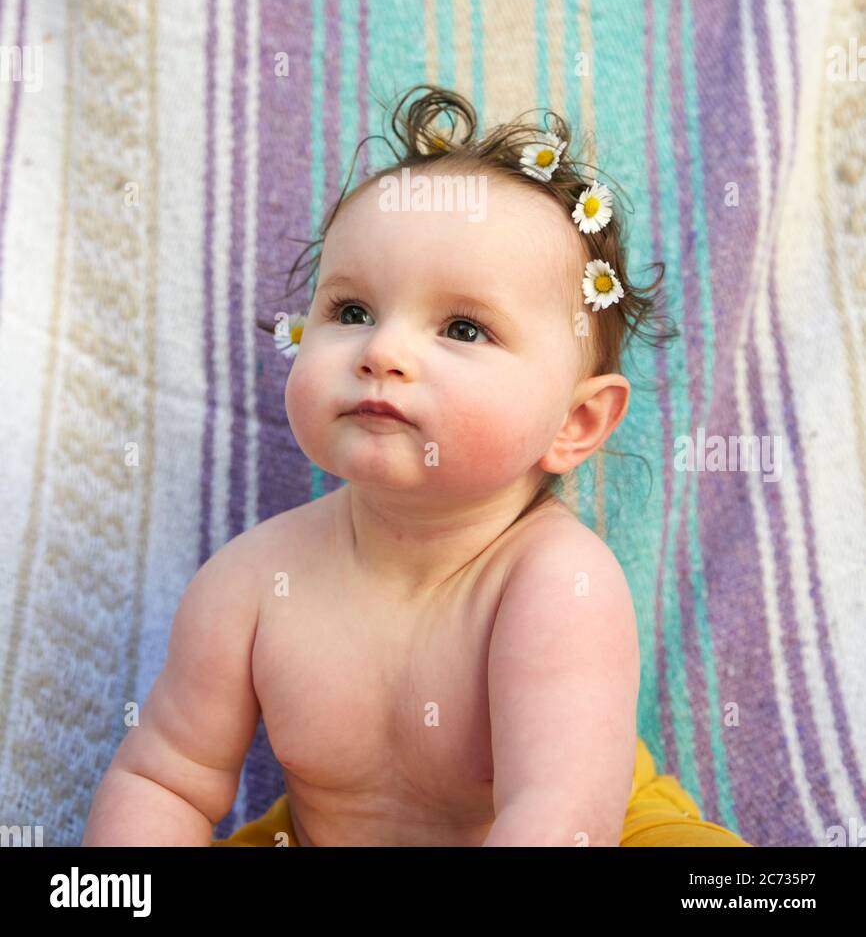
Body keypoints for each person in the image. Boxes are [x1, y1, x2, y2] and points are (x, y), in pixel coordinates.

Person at [83, 84, 751, 848]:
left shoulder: (558, 585)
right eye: (352, 312)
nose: (383, 353)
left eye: (463, 327)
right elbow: (162, 779)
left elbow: (558, 821)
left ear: (575, 422)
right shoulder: (251, 581)